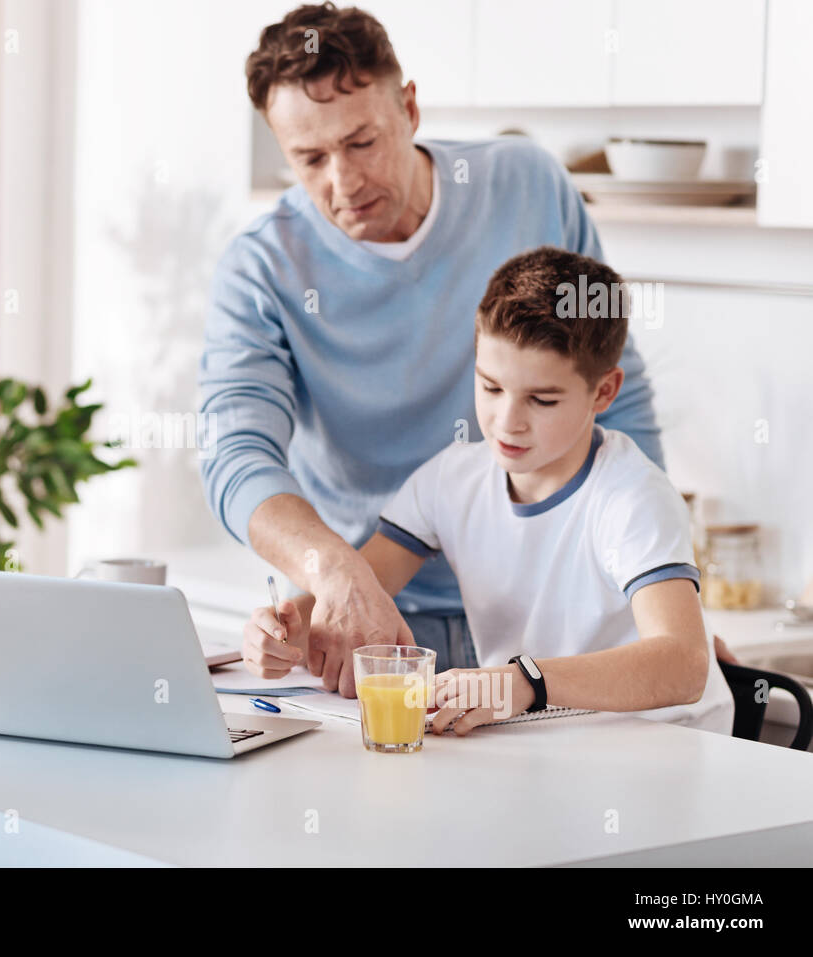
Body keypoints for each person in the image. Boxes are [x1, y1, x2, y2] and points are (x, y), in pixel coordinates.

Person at [199, 3, 664, 697]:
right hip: (369, 625)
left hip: (550, 623)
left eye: (362, 142)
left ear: (409, 108)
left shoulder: (527, 185)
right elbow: (235, 452)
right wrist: (334, 572)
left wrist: (665, 587)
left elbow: (617, 397)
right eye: (310, 158)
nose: (344, 182)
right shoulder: (262, 269)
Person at [242, 247, 735, 736]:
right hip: (554, 744)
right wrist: (285, 629)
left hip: (670, 744)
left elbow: (684, 664)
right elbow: (359, 591)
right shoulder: (451, 481)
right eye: (491, 387)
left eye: (542, 400)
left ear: (604, 392)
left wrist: (524, 682)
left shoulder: (632, 496)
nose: (508, 422)